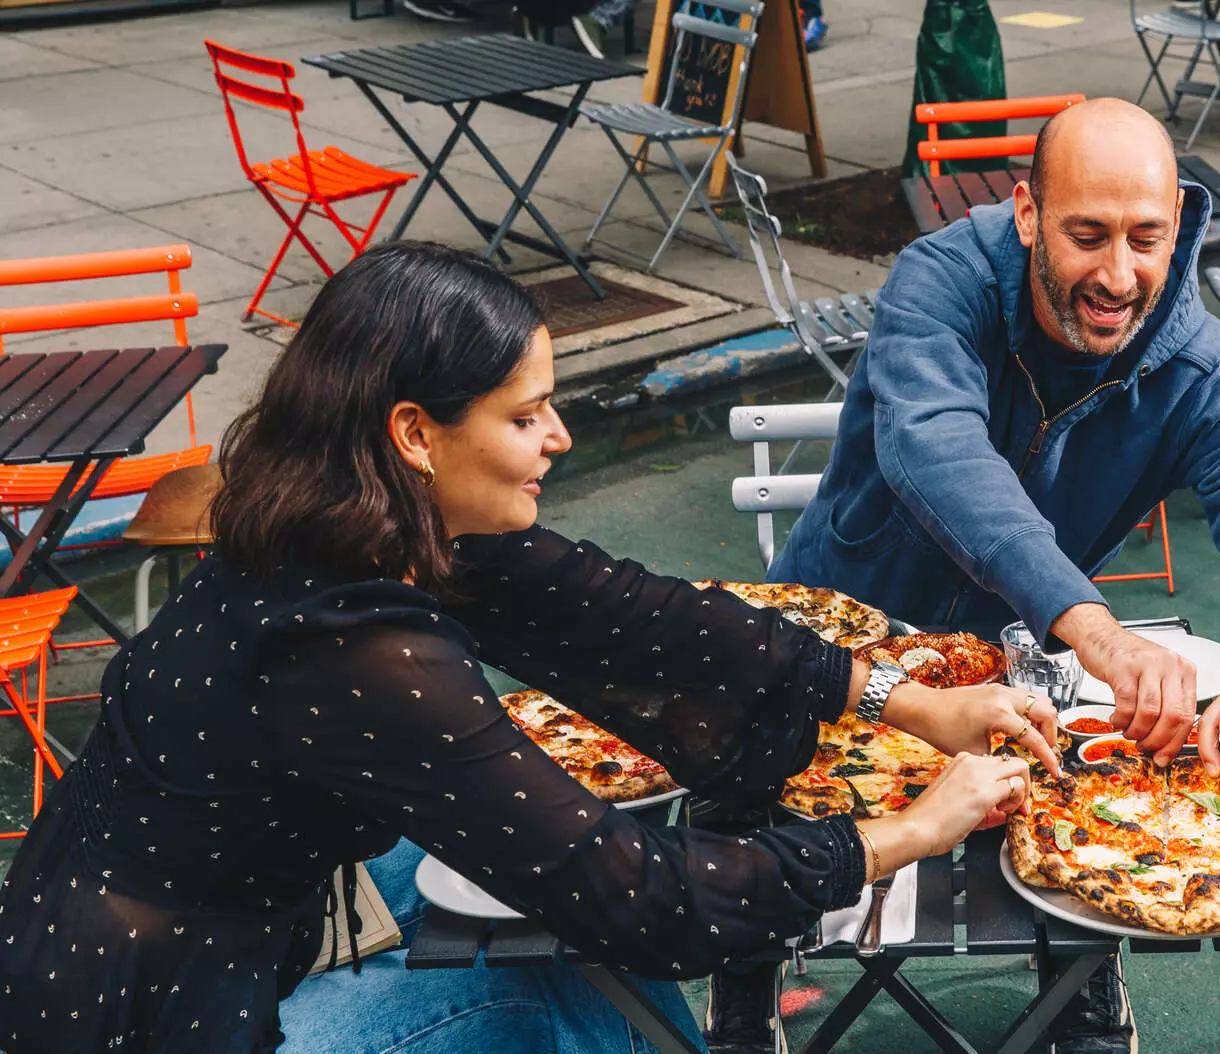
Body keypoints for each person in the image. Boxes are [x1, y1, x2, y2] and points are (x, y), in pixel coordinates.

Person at [0, 242, 1064, 1053]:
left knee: (570, 908)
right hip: (145, 1015)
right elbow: (646, 900)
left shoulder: (362, 515)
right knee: (546, 981)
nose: (559, 438)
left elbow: (637, 613)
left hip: (202, 922)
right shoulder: (357, 650)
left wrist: (902, 700)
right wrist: (913, 828)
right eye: (528, 415)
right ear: (417, 433)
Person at [769, 98, 1220, 1052]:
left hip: (1022, 677)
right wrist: (1096, 628)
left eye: (1146, 238)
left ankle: (1079, 971)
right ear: (1025, 212)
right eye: (1087, 234)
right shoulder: (940, 281)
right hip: (849, 651)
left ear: (1178, 220)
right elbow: (940, 456)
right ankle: (747, 976)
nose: (1118, 274)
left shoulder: (1196, 363)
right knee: (763, 801)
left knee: (1106, 784)